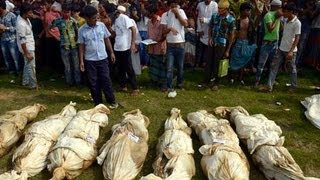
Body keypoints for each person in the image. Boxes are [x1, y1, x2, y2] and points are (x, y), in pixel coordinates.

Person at [78, 5, 118, 108]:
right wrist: (81, 61)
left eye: (96, 17)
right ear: (86, 18)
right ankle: (98, 102)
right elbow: (81, 46)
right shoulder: (81, 30)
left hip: (103, 58)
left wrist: (111, 52)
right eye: (93, 18)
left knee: (106, 80)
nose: (96, 20)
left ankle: (112, 100)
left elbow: (106, 39)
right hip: (90, 60)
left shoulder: (101, 26)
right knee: (93, 82)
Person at [265, 3, 301, 92]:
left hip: (290, 50)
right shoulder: (285, 20)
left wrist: (291, 51)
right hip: (281, 48)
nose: (283, 14)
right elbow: (283, 29)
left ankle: (293, 86)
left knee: (292, 69)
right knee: (274, 67)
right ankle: (269, 86)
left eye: (285, 12)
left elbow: (297, 38)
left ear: (290, 12)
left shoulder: (297, 23)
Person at [205, 0, 236, 90]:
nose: (218, 10)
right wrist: (210, 38)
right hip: (212, 42)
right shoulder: (214, 16)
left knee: (218, 63)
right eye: (218, 8)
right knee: (209, 61)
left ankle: (216, 82)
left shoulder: (231, 20)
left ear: (226, 9)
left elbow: (232, 35)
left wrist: (228, 50)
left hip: (222, 44)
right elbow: (210, 27)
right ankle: (206, 80)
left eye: (221, 8)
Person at [160, 0, 188, 98]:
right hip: (170, 45)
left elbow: (185, 24)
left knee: (180, 67)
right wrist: (170, 29)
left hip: (180, 44)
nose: (175, 6)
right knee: (169, 68)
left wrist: (178, 14)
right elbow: (163, 31)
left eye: (176, 4)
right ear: (169, 5)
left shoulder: (181, 12)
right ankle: (170, 86)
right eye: (173, 5)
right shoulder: (165, 15)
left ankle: (179, 84)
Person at [51, 3, 81, 86]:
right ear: (62, 12)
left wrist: (77, 41)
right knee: (67, 66)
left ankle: (77, 82)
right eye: (64, 12)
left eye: (68, 12)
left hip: (74, 46)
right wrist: (56, 37)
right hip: (64, 46)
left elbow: (77, 32)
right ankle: (69, 82)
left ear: (70, 12)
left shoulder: (74, 21)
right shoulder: (58, 21)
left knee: (76, 65)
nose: (66, 14)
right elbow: (49, 28)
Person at [113, 5, 140, 96]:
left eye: (117, 11)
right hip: (118, 46)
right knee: (120, 67)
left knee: (128, 67)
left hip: (125, 46)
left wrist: (132, 43)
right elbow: (113, 32)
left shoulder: (124, 17)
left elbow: (133, 29)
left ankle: (135, 88)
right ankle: (123, 86)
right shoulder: (116, 20)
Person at [255, 0, 282, 87]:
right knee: (261, 64)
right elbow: (270, 28)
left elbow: (282, 28)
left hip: (275, 42)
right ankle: (257, 81)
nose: (281, 9)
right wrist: (277, 19)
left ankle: (270, 81)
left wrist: (279, 19)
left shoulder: (278, 16)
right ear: (275, 7)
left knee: (273, 64)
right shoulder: (268, 15)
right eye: (280, 7)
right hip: (267, 43)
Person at [229, 2, 257, 85]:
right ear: (242, 11)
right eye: (247, 10)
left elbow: (254, 33)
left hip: (246, 42)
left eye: (249, 10)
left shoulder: (251, 21)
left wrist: (253, 44)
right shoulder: (237, 21)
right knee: (234, 59)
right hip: (237, 42)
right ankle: (232, 77)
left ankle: (241, 78)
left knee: (243, 60)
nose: (249, 12)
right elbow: (233, 32)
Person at [16, 2, 37, 89]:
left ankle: (25, 81)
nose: (31, 14)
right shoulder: (21, 24)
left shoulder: (25, 18)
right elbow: (22, 40)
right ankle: (33, 85)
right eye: (30, 12)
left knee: (27, 64)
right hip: (27, 47)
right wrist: (26, 52)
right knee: (32, 66)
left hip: (30, 44)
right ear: (24, 13)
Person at [147, 7, 167, 91]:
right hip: (151, 47)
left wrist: (157, 41)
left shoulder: (162, 21)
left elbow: (164, 35)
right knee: (153, 65)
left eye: (150, 13)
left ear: (154, 13)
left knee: (161, 65)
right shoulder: (148, 22)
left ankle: (163, 83)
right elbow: (149, 33)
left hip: (160, 47)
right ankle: (154, 80)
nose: (149, 15)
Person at [0, 0, 22, 74]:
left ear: (1, 7)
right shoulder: (0, 17)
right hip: (3, 39)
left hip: (11, 39)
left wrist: (6, 28)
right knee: (6, 57)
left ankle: (18, 71)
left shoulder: (12, 15)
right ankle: (11, 70)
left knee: (15, 57)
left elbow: (17, 28)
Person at [196, 0, 218, 68]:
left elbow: (215, 18)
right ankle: (198, 63)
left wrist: (205, 20)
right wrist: (199, 29)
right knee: (200, 47)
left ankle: (206, 63)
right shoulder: (200, 4)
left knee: (209, 47)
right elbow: (198, 18)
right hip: (202, 30)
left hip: (211, 30)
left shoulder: (214, 5)